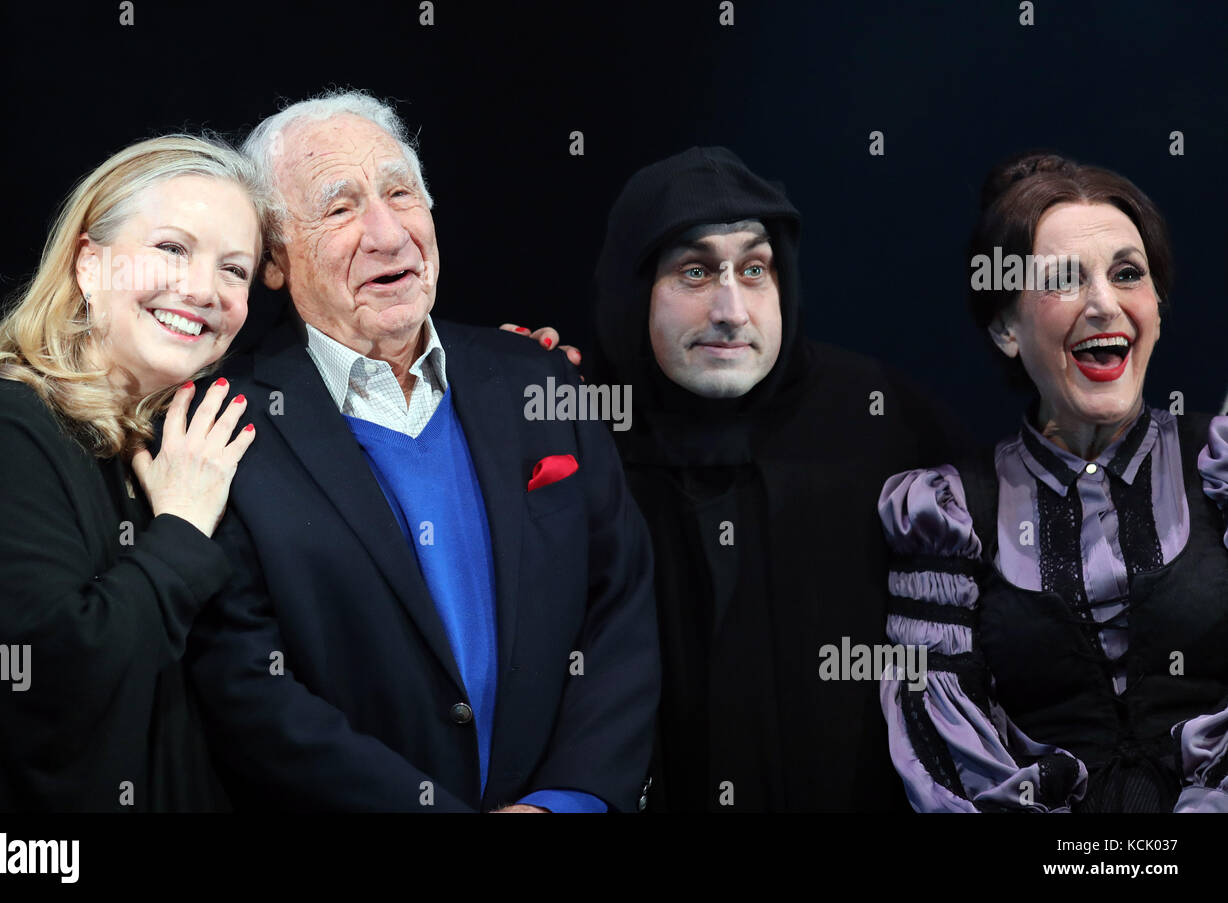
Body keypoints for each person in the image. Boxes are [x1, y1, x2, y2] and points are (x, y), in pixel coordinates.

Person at [184, 90, 660, 812]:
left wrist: (568, 800)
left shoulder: (540, 378)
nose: (387, 233)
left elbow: (620, 606)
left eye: (401, 192)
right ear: (274, 260)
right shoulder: (223, 425)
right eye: (340, 208)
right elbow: (244, 683)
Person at [515, 146, 970, 811]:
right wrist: (490, 392)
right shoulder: (570, 426)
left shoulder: (879, 418)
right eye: (694, 271)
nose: (730, 308)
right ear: (631, 287)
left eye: (755, 269)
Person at [0, 134, 271, 811]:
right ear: (89, 264)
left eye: (235, 270)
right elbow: (54, 678)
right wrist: (179, 531)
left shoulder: (183, 441)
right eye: (172, 248)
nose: (204, 289)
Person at [879, 152, 1228, 813]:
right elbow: (942, 751)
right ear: (1006, 327)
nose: (1103, 303)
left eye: (1128, 274)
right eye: (1064, 281)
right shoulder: (949, 516)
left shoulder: (1219, 467)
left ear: (1156, 303)